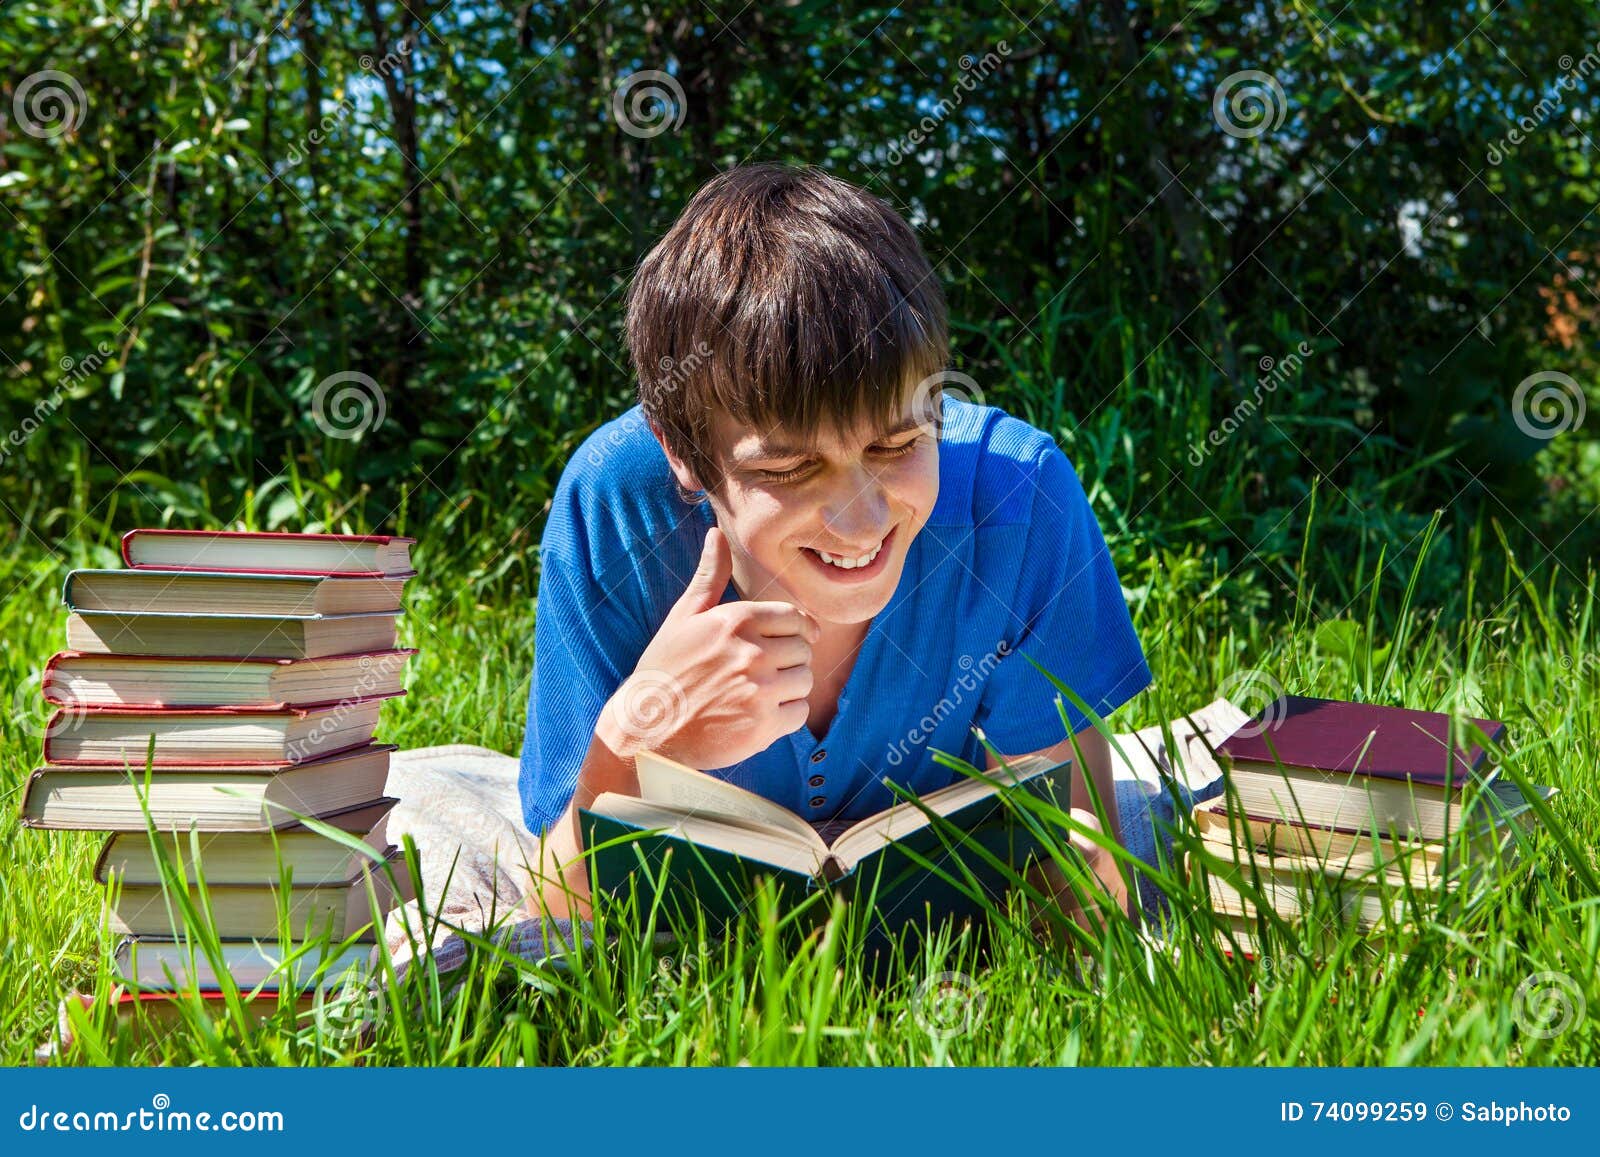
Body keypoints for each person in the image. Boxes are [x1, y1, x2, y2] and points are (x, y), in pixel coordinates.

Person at [516, 163, 1153, 931]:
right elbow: (553, 918)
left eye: (896, 445)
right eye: (788, 467)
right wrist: (633, 738)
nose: (858, 525)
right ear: (680, 451)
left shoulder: (1016, 500)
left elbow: (1080, 871)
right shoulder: (613, 506)